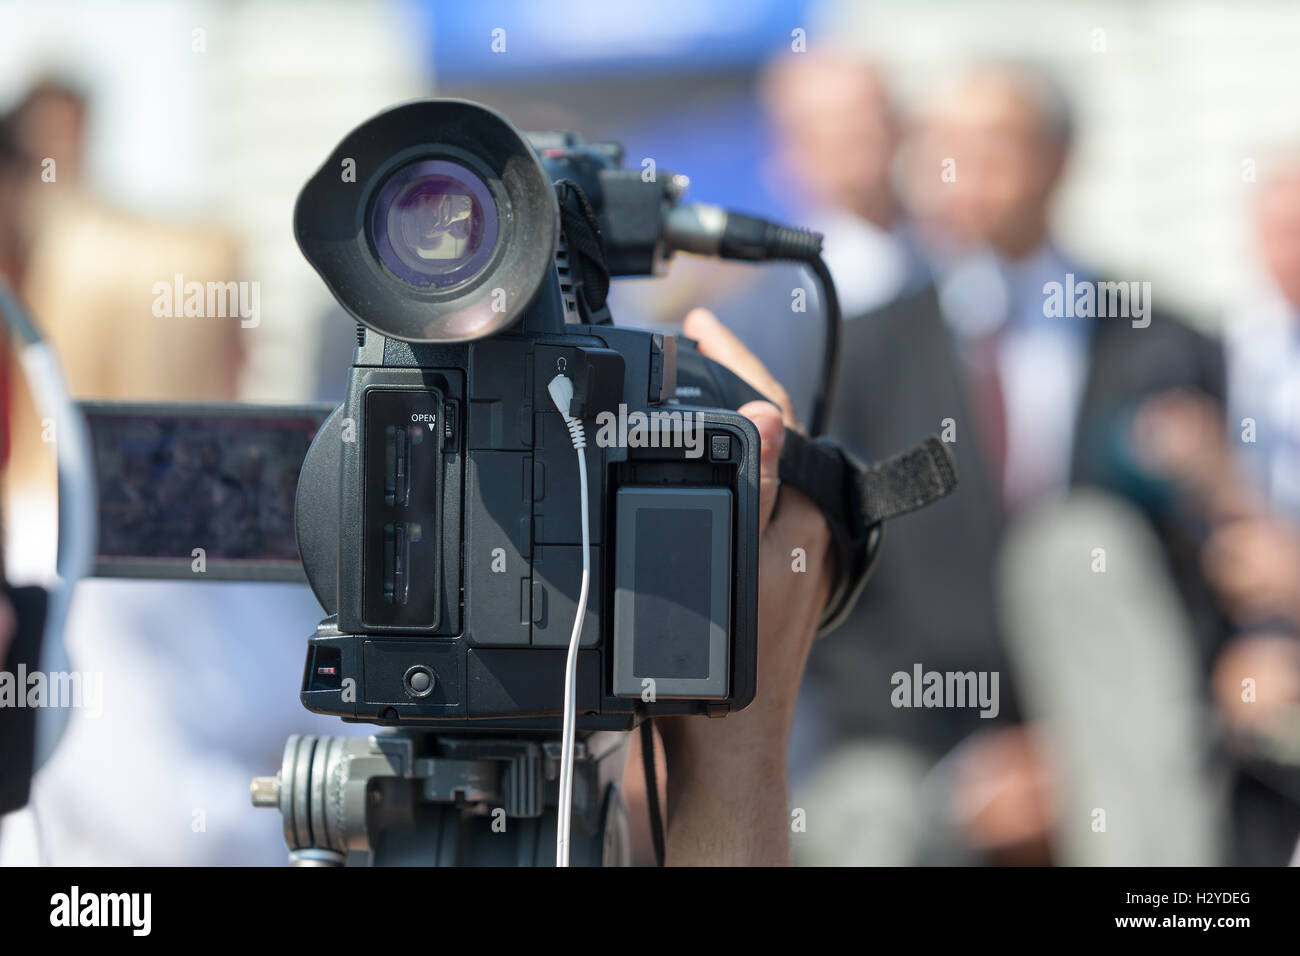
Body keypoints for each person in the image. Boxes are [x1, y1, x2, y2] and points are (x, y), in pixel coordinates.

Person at [798, 61, 1227, 865]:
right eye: (944, 146)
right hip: (922, 751)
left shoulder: (1158, 340)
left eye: (995, 143)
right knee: (863, 829)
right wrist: (966, 766)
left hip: (1120, 750)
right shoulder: (867, 351)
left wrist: (1074, 753)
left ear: (1059, 159)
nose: (965, 170)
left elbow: (1199, 574)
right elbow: (836, 588)